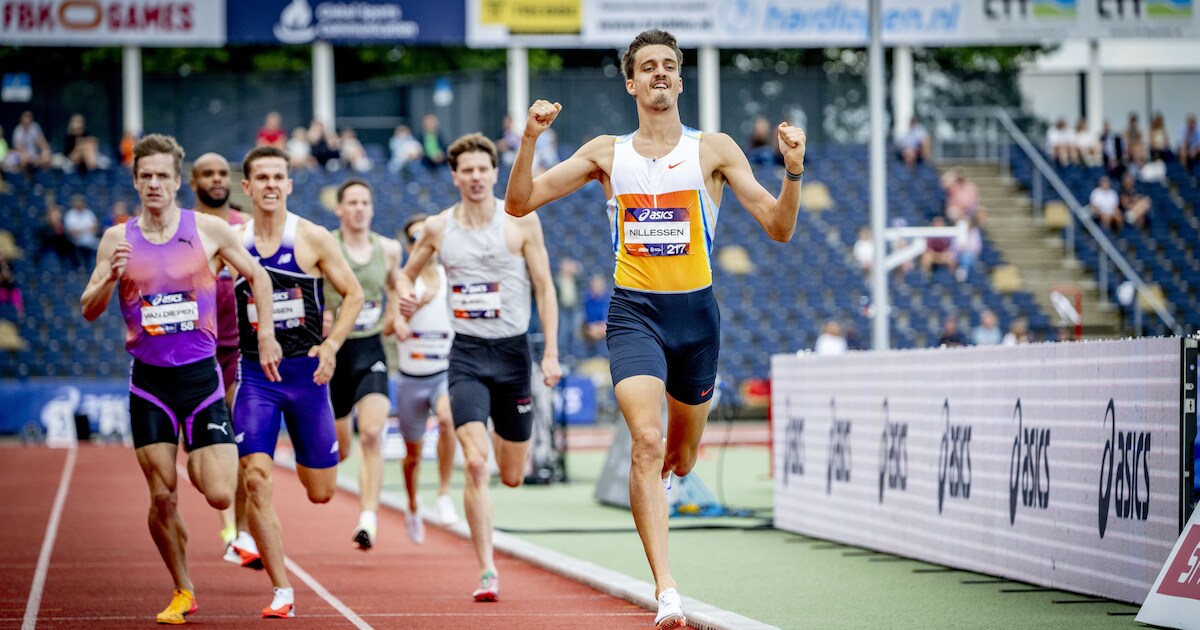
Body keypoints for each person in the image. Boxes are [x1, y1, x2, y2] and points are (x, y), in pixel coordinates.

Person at [504, 29, 805, 630]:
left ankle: (674, 469)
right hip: (634, 313)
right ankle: (667, 591)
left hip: (696, 318)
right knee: (645, 442)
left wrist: (793, 173)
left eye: (669, 65)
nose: (659, 74)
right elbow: (519, 203)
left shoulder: (714, 150)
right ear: (631, 82)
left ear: (681, 79)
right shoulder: (605, 153)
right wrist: (530, 140)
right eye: (648, 67)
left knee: (683, 457)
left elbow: (778, 227)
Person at [79, 133, 282, 624]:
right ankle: (183, 587)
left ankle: (196, 453)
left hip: (201, 380)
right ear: (135, 180)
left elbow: (258, 275)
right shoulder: (116, 238)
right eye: (145, 176)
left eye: (162, 176)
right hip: (149, 383)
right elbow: (88, 310)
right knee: (162, 494)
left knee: (216, 492)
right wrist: (109, 275)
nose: (154, 184)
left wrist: (268, 334)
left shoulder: (208, 230)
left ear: (175, 181)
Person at [398, 132, 561, 604]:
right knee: (474, 463)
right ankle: (487, 569)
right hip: (466, 354)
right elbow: (408, 274)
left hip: (512, 356)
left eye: (482, 169)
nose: (474, 177)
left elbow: (546, 289)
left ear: (495, 173)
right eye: (465, 170)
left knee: (511, 473)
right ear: (454, 176)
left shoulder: (521, 222)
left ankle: (500, 445)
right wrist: (405, 299)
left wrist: (549, 352)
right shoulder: (437, 228)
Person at [233, 146, 364, 618]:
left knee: (321, 491)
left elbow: (354, 294)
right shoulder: (233, 242)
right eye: (261, 177)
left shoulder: (311, 237)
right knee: (256, 477)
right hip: (256, 378)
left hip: (307, 379)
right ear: (245, 187)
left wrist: (331, 346)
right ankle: (282, 589)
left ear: (289, 184)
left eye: (278, 177)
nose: (270, 185)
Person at [322, 178, 403, 550]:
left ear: (371, 208)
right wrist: (320, 317)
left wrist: (398, 315)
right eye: (351, 202)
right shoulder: (325, 246)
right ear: (339, 209)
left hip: (371, 350)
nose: (358, 208)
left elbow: (394, 285)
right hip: (334, 355)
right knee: (343, 449)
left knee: (372, 433)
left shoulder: (387, 249)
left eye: (364, 202)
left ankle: (368, 517)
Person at [189, 153, 260, 568]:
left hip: (238, 349)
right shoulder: (183, 230)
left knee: (240, 441)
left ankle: (238, 533)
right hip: (193, 352)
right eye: (208, 174)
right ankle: (231, 523)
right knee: (203, 460)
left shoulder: (244, 228)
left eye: (221, 174)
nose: (217, 180)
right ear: (193, 181)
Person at [393, 213, 461, 538]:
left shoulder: (451, 277)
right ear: (410, 246)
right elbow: (394, 325)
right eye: (415, 237)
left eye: (427, 236)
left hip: (443, 372)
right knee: (413, 454)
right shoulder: (404, 281)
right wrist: (412, 311)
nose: (424, 243)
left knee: (448, 421)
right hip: (410, 377)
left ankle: (444, 493)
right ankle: (412, 504)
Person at [8, 110, 50, 175]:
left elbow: (42, 142)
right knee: (24, 159)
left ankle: (44, 180)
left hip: (35, 156)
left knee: (47, 156)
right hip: (23, 156)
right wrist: (31, 158)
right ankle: (26, 180)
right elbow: (20, 149)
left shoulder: (35, 127)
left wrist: (45, 151)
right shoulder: (18, 131)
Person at [63, 194, 99, 266]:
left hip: (90, 242)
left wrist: (80, 230)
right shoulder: (70, 215)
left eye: (80, 202)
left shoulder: (89, 213)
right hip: (77, 243)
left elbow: (95, 229)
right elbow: (74, 233)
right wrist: (87, 229)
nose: (79, 204)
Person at [582, 273, 611, 357]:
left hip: (604, 326)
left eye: (599, 285)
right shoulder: (587, 299)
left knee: (605, 330)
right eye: (595, 285)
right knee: (591, 331)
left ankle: (604, 355)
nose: (597, 287)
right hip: (591, 327)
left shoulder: (608, 299)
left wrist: (602, 325)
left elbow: (608, 315)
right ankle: (591, 354)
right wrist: (593, 326)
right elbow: (587, 316)